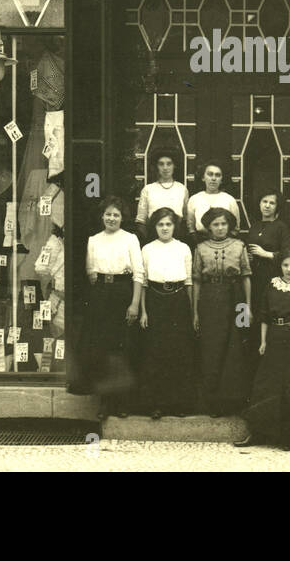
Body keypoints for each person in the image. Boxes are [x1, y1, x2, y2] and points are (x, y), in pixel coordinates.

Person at [234, 254, 290, 450]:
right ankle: (258, 433)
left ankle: (289, 435)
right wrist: (263, 341)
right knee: (266, 384)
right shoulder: (272, 285)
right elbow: (264, 315)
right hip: (274, 336)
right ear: (280, 266)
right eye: (285, 265)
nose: (289, 269)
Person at [83, 197, 143, 420]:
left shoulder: (130, 239)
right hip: (101, 295)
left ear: (122, 218)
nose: (111, 218)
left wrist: (134, 303)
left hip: (123, 292)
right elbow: (90, 271)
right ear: (102, 216)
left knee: (123, 347)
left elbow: (138, 273)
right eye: (108, 214)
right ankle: (105, 403)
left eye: (116, 215)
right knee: (102, 348)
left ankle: (122, 402)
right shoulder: (93, 240)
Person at [194, 207, 252, 417]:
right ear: (209, 227)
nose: (220, 228)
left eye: (224, 224)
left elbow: (246, 276)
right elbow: (197, 281)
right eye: (216, 224)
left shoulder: (239, 246)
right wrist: (195, 312)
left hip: (234, 295)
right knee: (212, 348)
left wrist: (247, 306)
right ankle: (213, 403)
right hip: (210, 297)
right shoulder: (201, 248)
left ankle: (233, 402)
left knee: (235, 347)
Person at [139, 207, 196, 419]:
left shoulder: (183, 249)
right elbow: (143, 283)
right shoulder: (147, 249)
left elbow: (189, 282)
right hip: (155, 300)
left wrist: (192, 312)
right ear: (155, 227)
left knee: (179, 352)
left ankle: (179, 403)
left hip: (178, 300)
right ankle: (156, 404)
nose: (165, 228)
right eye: (161, 224)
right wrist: (144, 311)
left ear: (175, 227)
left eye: (169, 224)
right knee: (156, 353)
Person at [134, 151, 189, 243]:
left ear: (174, 166)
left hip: (177, 238)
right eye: (161, 164)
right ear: (157, 167)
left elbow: (186, 218)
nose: (165, 167)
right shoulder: (148, 189)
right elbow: (141, 220)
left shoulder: (182, 189)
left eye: (169, 164)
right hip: (154, 238)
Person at [245, 189, 290, 295]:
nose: (267, 206)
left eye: (272, 203)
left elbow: (288, 254)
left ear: (277, 207)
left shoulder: (281, 227)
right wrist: (248, 257)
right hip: (254, 276)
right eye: (264, 201)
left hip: (272, 275)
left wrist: (265, 254)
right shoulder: (254, 227)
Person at [186, 160, 241, 240]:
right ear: (203, 177)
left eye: (217, 175)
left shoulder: (229, 199)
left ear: (222, 179)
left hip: (225, 242)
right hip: (201, 242)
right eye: (210, 174)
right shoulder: (194, 199)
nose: (213, 178)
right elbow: (191, 227)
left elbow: (236, 228)